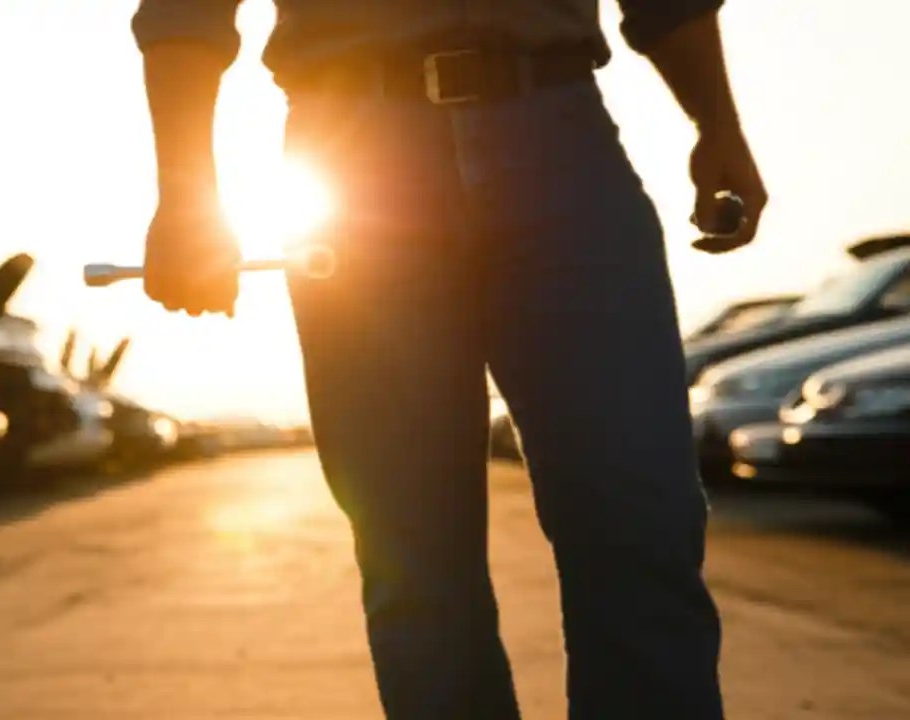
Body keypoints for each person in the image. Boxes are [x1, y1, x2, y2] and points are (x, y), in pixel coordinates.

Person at [130, 1, 766, 718]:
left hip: (560, 140)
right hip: (355, 161)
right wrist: (187, 193)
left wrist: (719, 124)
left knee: (639, 517)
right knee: (413, 552)